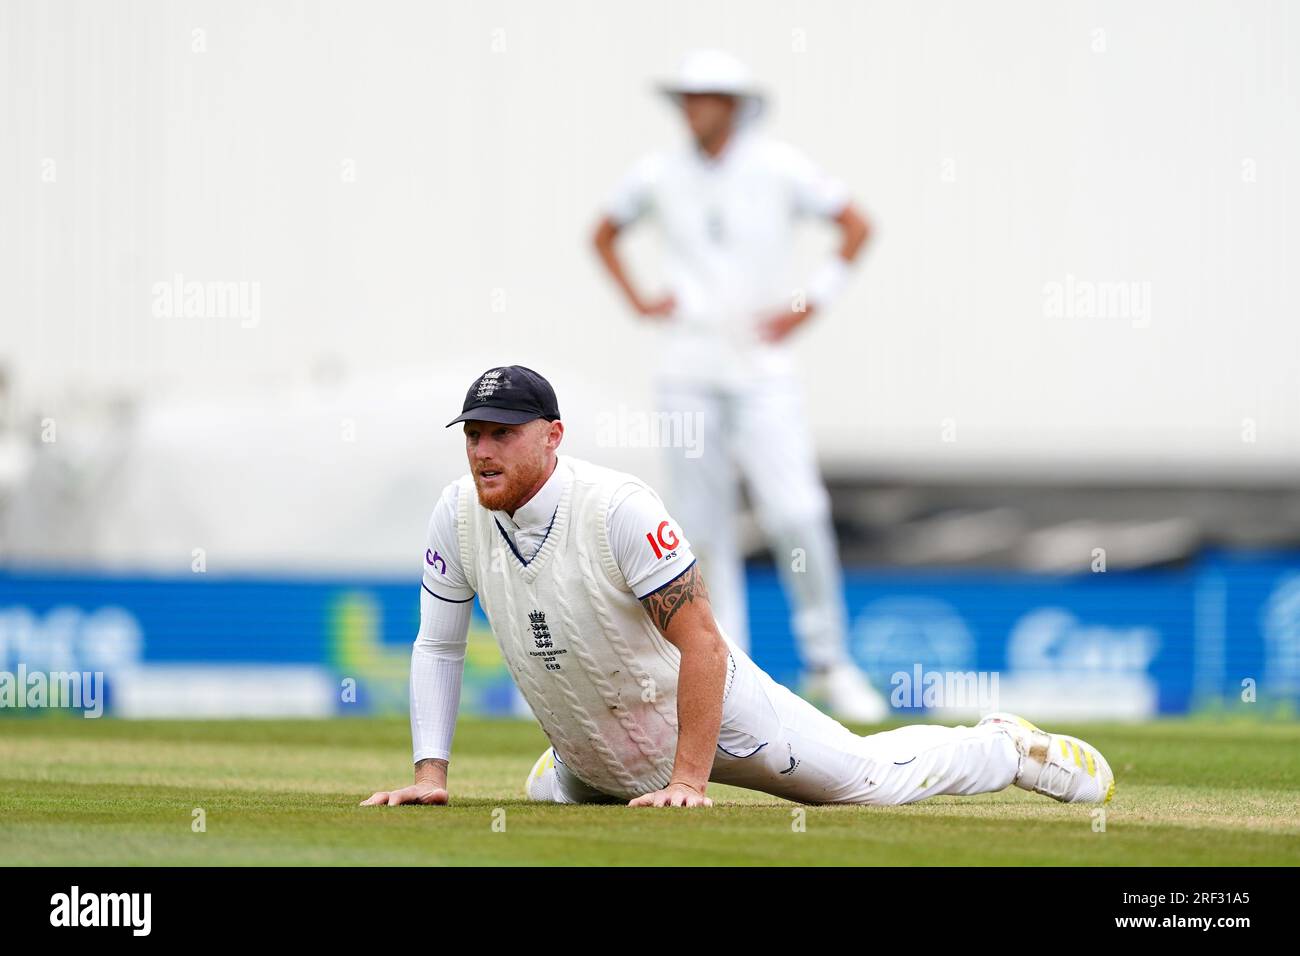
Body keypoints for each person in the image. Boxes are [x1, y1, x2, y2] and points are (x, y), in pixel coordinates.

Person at [361, 366, 1116, 809]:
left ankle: (1002, 748)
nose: (483, 452)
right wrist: (431, 776)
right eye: (473, 435)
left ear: (553, 435)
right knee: (554, 792)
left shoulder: (620, 509)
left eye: (503, 433)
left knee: (869, 782)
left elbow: (702, 640)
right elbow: (437, 645)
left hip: (714, 719)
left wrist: (689, 780)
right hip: (602, 752)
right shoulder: (456, 513)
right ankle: (572, 766)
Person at [591, 49, 885, 720]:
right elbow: (603, 233)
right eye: (687, 97)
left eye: (708, 97)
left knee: (797, 512)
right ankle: (726, 671)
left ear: (735, 105)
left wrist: (810, 303)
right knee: (700, 528)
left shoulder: (780, 166)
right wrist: (640, 301)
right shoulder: (658, 173)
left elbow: (855, 225)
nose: (694, 108)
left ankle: (830, 663)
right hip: (686, 367)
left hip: (761, 368)